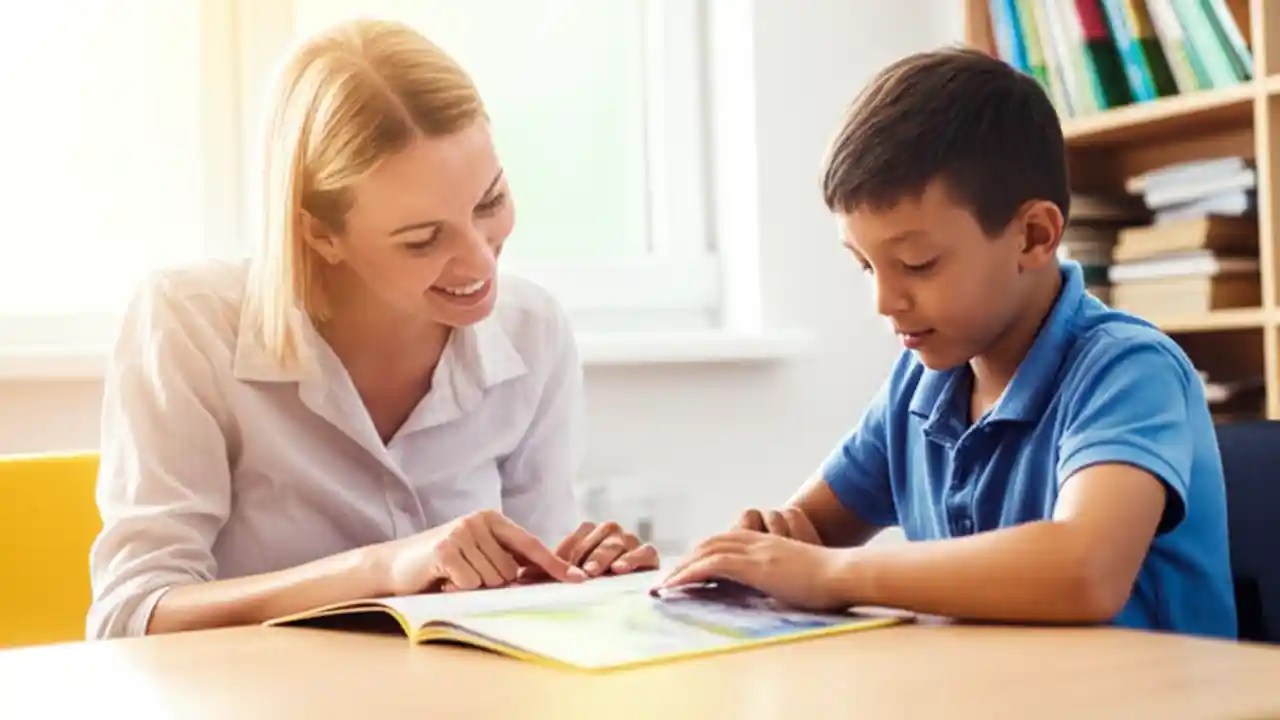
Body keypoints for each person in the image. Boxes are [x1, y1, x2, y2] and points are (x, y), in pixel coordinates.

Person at [88, 19, 656, 640]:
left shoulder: (532, 331)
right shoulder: (189, 322)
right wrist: (382, 568)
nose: (479, 261)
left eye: (489, 202)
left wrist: (591, 578)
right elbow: (131, 615)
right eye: (423, 238)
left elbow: (537, 601)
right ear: (321, 234)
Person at [659, 48, 1236, 638]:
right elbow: (809, 533)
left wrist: (836, 573)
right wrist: (762, 547)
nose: (884, 302)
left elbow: (1084, 570)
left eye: (918, 263)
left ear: (1034, 236)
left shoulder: (1128, 370)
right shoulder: (921, 383)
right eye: (865, 266)